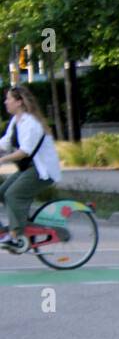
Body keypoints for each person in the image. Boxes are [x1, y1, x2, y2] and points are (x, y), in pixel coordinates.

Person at [0, 86, 62, 254]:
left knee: (13, 194)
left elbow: (25, 151)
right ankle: (21, 226)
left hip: (42, 170)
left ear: (19, 102)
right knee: (2, 192)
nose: (5, 102)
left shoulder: (31, 123)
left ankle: (15, 235)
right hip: (28, 168)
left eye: (9, 99)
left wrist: (2, 160)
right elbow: (5, 143)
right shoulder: (16, 121)